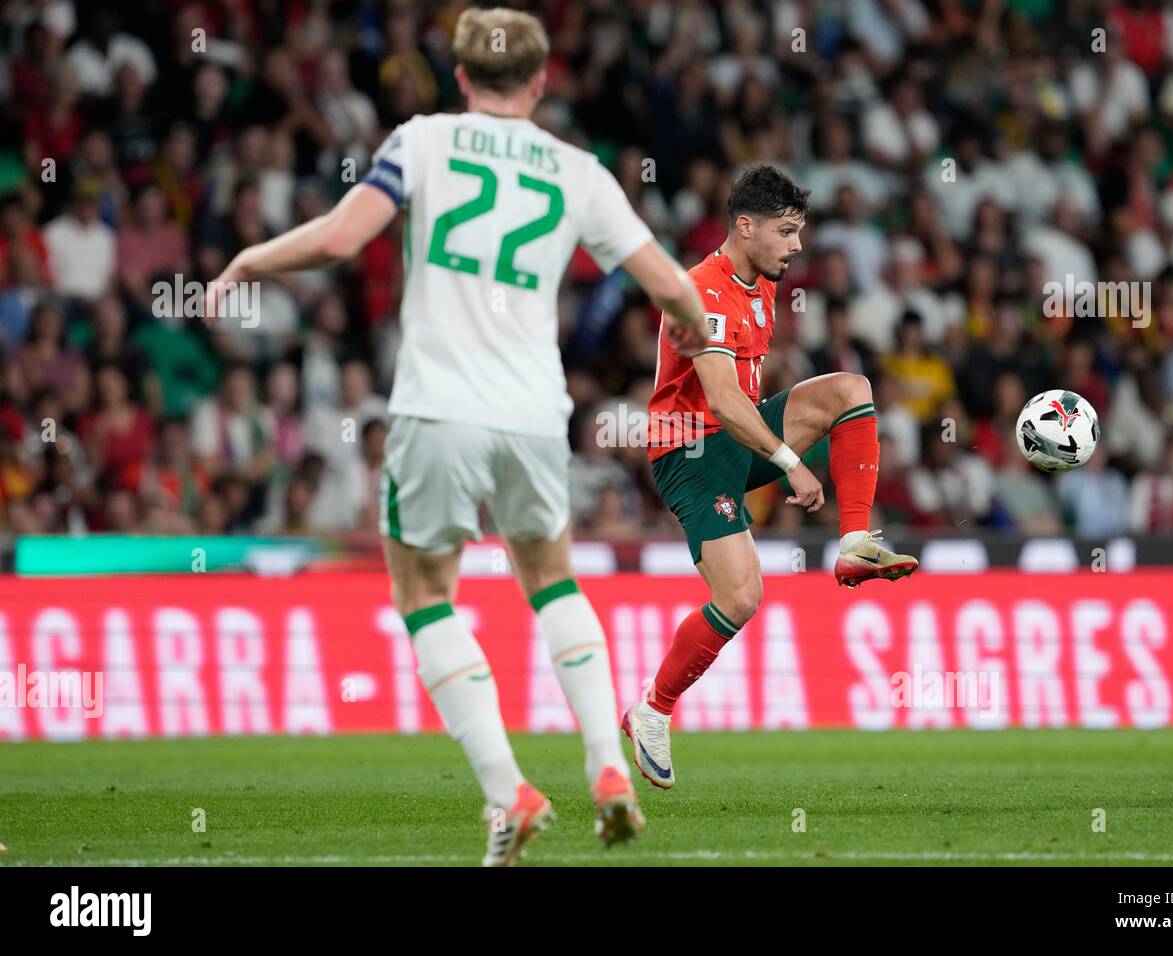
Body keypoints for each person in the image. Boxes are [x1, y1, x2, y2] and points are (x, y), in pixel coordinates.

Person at [205, 7, 709, 866]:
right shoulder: (577, 169)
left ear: (462, 77)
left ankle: (507, 792)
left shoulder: (424, 140)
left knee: (424, 594)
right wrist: (696, 330)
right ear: (543, 80)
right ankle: (605, 768)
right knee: (551, 579)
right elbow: (668, 282)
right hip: (533, 414)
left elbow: (339, 238)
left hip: (437, 408)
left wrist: (250, 259)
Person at [626, 164, 919, 790]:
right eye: (786, 232)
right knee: (741, 597)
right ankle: (651, 710)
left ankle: (853, 544)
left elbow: (745, 400)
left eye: (800, 232)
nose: (797, 245)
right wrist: (792, 465)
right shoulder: (701, 291)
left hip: (736, 434)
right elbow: (726, 401)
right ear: (745, 226)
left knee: (850, 389)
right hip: (691, 453)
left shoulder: (761, 279)